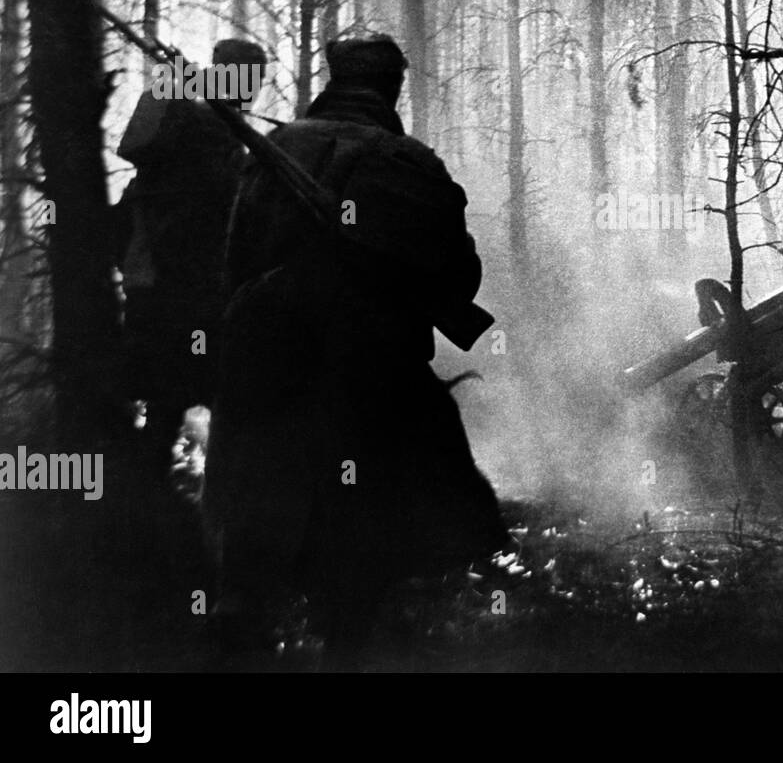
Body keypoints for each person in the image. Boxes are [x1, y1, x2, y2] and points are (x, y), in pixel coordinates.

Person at [204, 34, 507, 658]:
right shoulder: (413, 162)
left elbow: (236, 257)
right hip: (368, 359)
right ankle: (349, 634)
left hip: (266, 353)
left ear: (334, 78)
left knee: (255, 508)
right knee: (365, 516)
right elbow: (457, 275)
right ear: (391, 86)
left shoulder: (279, 146)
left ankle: (238, 627)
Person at [115, 39, 267, 481]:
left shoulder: (212, 125)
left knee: (176, 404)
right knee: (183, 401)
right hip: (182, 292)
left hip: (178, 291)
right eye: (248, 79)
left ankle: (164, 508)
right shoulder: (196, 122)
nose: (253, 91)